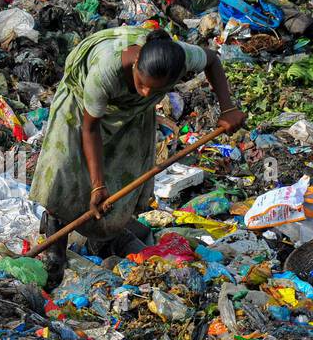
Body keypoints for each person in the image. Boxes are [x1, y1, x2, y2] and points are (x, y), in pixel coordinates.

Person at [29, 26, 246, 289]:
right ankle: (55, 247)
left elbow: (212, 59)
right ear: (135, 64)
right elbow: (90, 128)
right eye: (141, 83)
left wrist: (228, 107)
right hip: (81, 108)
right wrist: (97, 185)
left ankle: (103, 238)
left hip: (131, 115)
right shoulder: (105, 70)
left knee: (121, 177)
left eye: (154, 90)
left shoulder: (179, 57)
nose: (145, 92)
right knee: (64, 171)